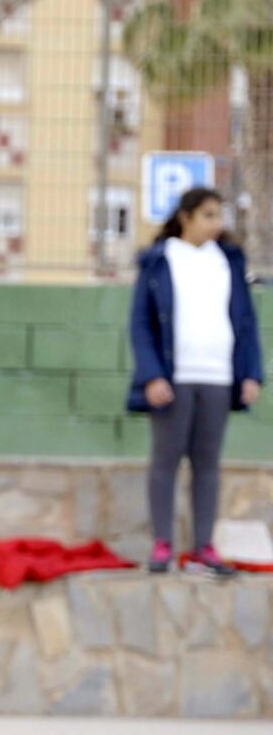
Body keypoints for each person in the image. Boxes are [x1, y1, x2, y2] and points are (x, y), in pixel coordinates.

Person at [127, 187, 264, 577]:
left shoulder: (228, 260)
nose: (216, 223)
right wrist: (152, 374)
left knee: (207, 465)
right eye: (208, 215)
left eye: (219, 215)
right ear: (186, 217)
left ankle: (204, 547)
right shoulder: (159, 259)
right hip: (175, 379)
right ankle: (162, 544)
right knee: (165, 461)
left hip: (217, 377)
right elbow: (140, 323)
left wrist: (251, 372)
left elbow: (246, 321)